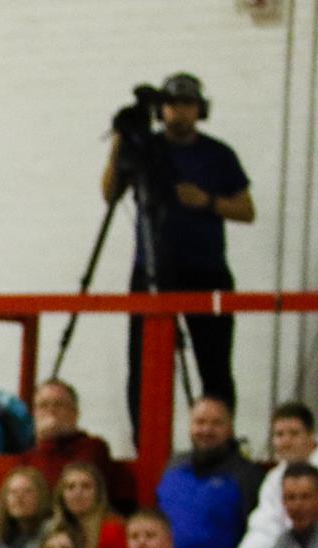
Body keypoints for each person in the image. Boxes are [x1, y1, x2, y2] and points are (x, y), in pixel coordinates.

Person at [102, 73, 254, 417]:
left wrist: (207, 201)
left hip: (207, 270)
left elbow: (246, 210)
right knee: (144, 366)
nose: (179, 112)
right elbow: (110, 194)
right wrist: (119, 145)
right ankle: (146, 440)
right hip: (151, 270)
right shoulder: (145, 150)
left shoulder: (218, 154)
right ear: (161, 110)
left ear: (200, 110)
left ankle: (218, 436)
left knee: (214, 366)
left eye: (188, 104)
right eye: (171, 104)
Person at [218, 401, 318, 548]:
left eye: (294, 434)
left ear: (311, 436)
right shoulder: (274, 478)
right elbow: (265, 524)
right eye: (279, 435)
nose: (286, 441)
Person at [155, 396, 261, 548]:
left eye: (216, 423)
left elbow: (256, 534)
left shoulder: (246, 476)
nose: (206, 430)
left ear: (230, 428)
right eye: (200, 422)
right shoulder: (173, 466)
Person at [25, 378, 116, 491]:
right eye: (43, 405)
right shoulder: (26, 453)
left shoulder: (92, 448)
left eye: (58, 404)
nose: (51, 410)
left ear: (75, 413)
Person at [54, 459, 133, 548]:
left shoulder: (113, 530)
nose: (77, 493)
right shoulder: (57, 530)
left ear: (98, 493)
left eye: (86, 486)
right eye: (70, 487)